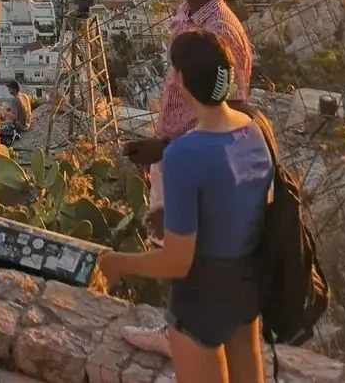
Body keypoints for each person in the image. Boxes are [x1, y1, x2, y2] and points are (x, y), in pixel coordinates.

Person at [99, 31, 271, 383]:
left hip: (200, 296)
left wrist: (117, 263)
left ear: (180, 81)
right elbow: (249, 205)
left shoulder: (182, 154)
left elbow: (177, 262)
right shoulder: (255, 130)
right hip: (246, 285)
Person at [122, 0, 253, 355]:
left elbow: (225, 113)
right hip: (175, 151)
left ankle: (187, 341)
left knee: (187, 252)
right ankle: (182, 332)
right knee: (179, 250)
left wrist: (167, 150)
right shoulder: (186, 12)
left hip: (196, 161)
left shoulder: (221, 31)